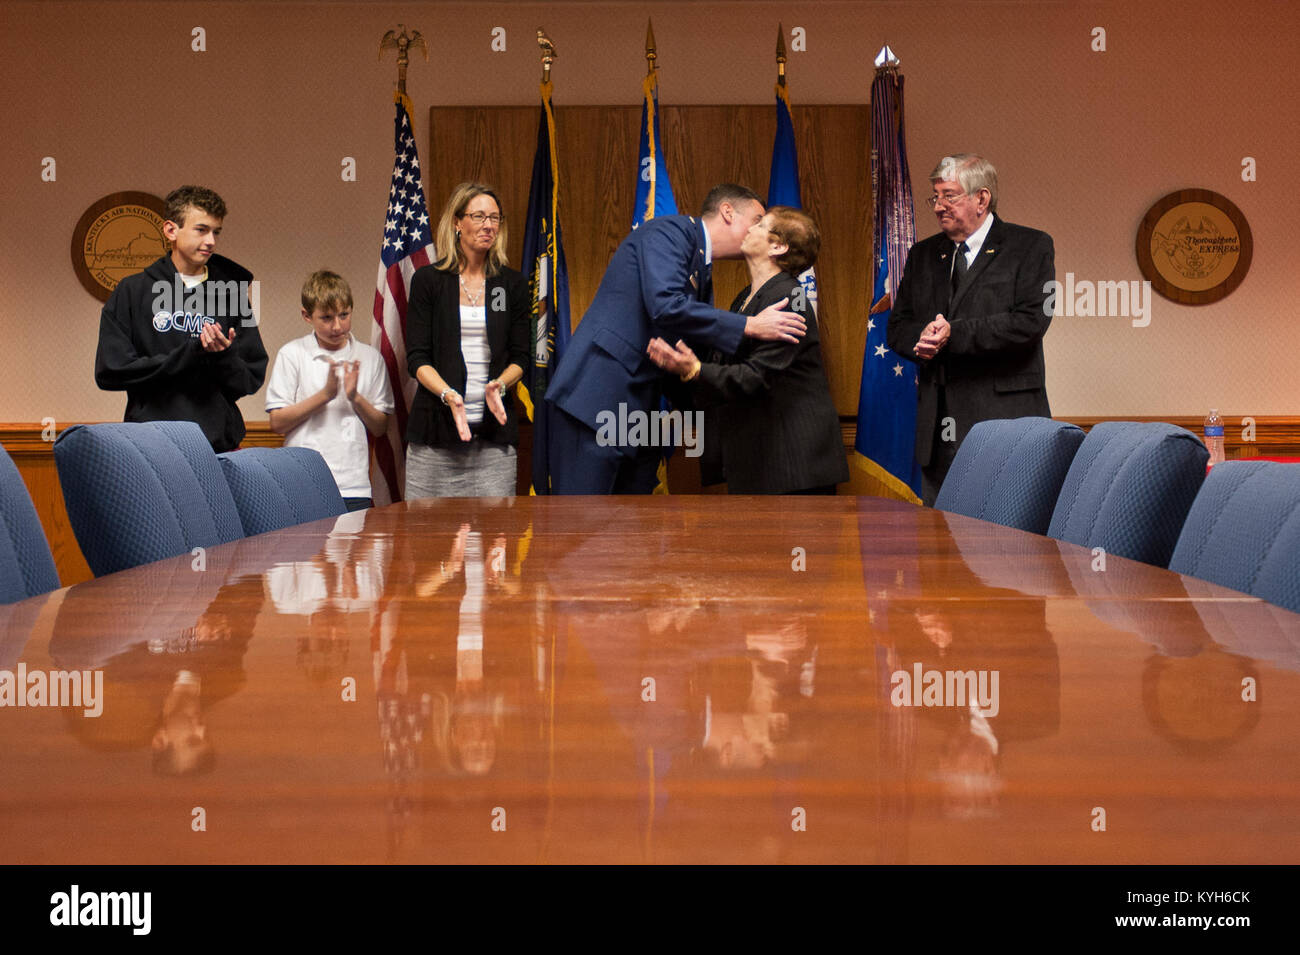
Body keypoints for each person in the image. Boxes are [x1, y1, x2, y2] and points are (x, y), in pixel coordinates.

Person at [544, 184, 808, 494]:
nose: (760, 231)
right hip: (596, 401)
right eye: (758, 219)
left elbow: (690, 349)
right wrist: (749, 326)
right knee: (580, 527)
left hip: (638, 415)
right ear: (727, 212)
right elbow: (666, 305)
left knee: (628, 532)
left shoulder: (702, 269)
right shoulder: (669, 232)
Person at [885, 155, 1055, 505]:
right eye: (935, 197)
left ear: (982, 198)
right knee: (940, 546)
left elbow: (1030, 321)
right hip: (938, 434)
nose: (939, 206)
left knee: (1008, 547)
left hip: (1007, 427)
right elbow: (898, 325)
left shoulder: (1030, 246)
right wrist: (922, 340)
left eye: (949, 195)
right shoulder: (923, 254)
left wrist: (953, 334)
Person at [646, 207, 848, 494]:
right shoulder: (747, 296)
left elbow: (756, 377)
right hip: (764, 460)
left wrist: (694, 369)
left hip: (793, 467)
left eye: (760, 225)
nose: (749, 228)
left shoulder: (789, 298)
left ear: (778, 246)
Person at [94, 185, 267, 453]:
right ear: (171, 230)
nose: (211, 241)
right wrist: (192, 352)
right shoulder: (132, 291)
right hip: (152, 445)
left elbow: (249, 381)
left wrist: (223, 357)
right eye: (201, 230)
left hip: (217, 446)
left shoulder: (230, 294)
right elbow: (110, 371)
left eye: (216, 232)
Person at [405, 182, 529, 498]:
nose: (489, 225)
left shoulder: (510, 285)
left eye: (495, 218)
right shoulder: (429, 282)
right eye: (479, 216)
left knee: (494, 542)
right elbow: (417, 358)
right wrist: (448, 394)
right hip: (435, 441)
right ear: (458, 222)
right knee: (429, 541)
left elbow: (521, 356)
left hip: (492, 442)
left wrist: (499, 385)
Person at [264, 270, 394, 511]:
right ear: (307, 316)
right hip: (302, 481)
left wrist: (355, 398)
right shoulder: (292, 354)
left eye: (344, 315)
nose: (337, 326)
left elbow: (380, 427)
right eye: (326, 318)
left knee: (353, 549)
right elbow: (277, 422)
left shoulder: (370, 358)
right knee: (306, 550)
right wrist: (326, 395)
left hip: (353, 485)